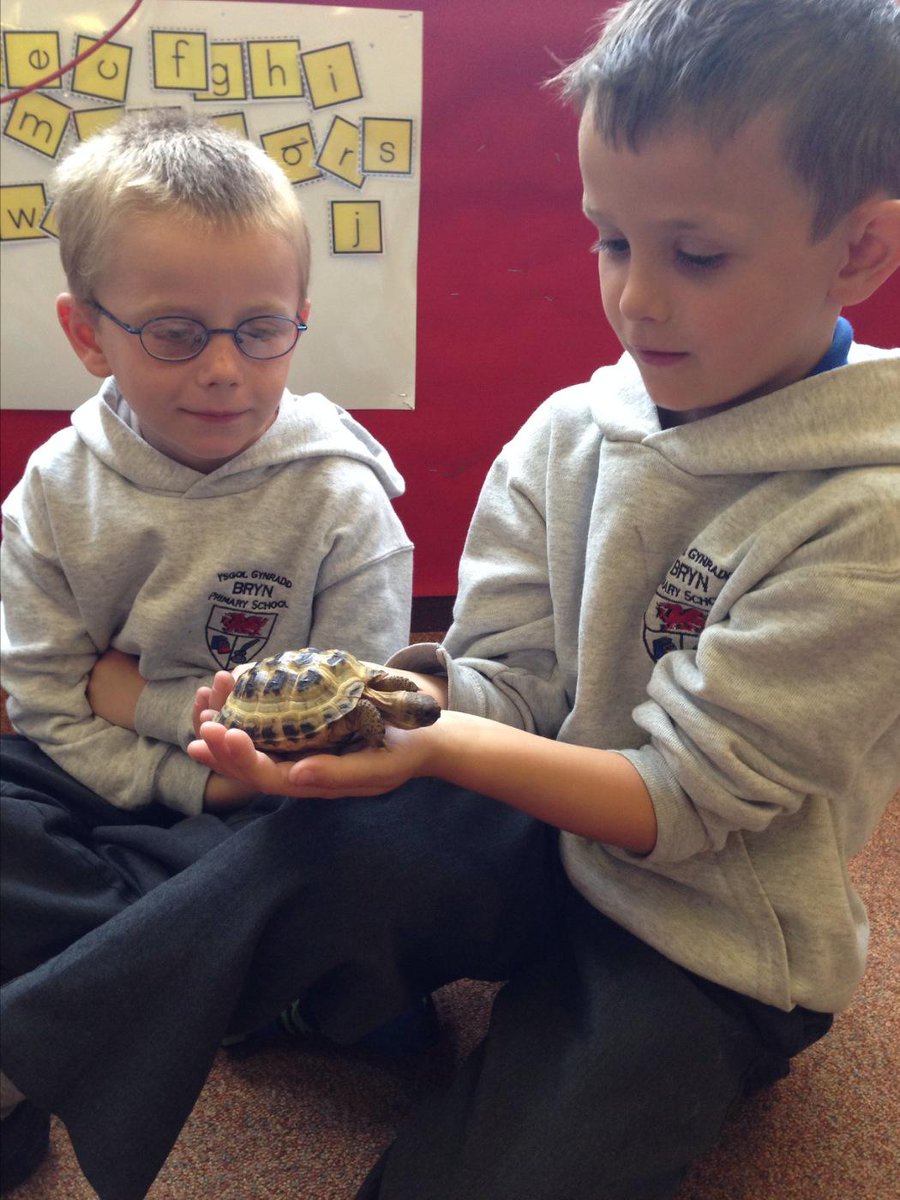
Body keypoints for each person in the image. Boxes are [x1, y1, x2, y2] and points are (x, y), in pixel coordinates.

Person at [2, 1, 898, 1196]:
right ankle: (30, 1061)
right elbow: (505, 683)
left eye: (696, 256)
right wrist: (388, 707)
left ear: (859, 249)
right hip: (530, 837)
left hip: (705, 933)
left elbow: (684, 802)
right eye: (609, 240)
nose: (635, 299)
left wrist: (429, 744)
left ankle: (363, 999)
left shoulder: (869, 510)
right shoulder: (569, 431)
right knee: (306, 851)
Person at [0, 109, 416, 1191]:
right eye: (175, 332)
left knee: (390, 843)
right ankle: (238, 976)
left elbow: (360, 729)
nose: (226, 369)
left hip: (272, 800)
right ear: (88, 334)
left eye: (262, 328)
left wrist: (147, 707)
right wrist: (180, 775)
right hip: (115, 781)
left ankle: (141, 969)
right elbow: (42, 698)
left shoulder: (344, 499)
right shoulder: (53, 491)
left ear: (299, 318)